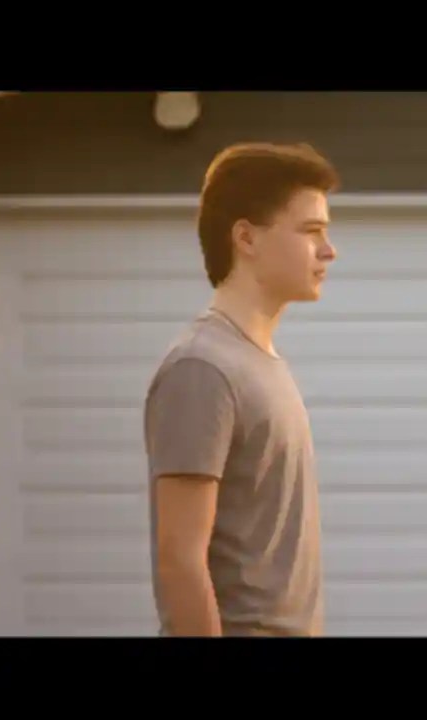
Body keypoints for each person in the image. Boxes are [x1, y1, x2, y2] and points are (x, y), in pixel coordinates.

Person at [143, 142, 339, 637]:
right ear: (246, 238)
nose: (329, 250)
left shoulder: (261, 363)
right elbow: (179, 561)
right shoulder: (202, 368)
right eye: (311, 231)